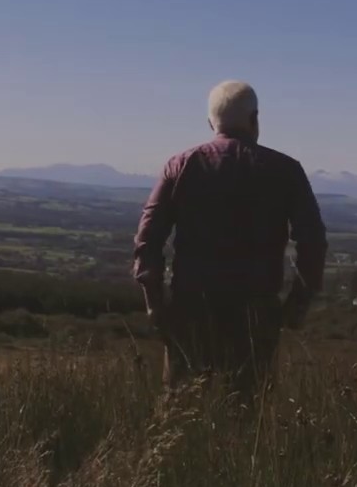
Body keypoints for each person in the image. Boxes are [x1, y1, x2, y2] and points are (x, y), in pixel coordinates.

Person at [132, 80, 328, 402]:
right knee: (247, 412)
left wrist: (155, 304)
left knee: (181, 408)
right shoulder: (286, 171)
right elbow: (313, 242)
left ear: (211, 122)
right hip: (256, 313)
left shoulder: (181, 165)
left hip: (191, 307)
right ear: (255, 119)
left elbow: (147, 239)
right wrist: (297, 304)